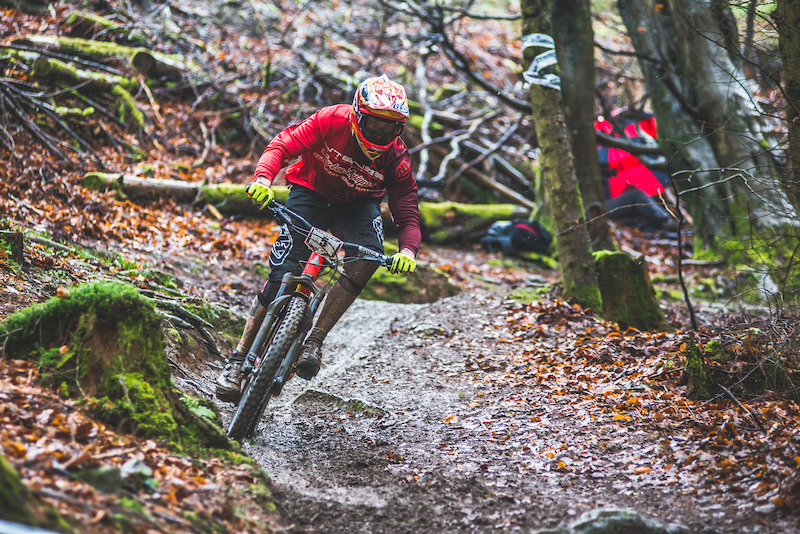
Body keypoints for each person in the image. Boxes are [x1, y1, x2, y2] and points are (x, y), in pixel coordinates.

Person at [215, 74, 422, 402]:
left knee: (367, 259)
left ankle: (315, 340)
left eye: (389, 128)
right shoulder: (330, 120)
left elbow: (407, 211)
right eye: (374, 125)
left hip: (357, 207)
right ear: (356, 115)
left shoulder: (396, 159)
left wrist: (408, 251)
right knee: (281, 273)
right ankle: (238, 358)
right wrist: (263, 179)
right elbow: (283, 145)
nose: (380, 135)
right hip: (310, 190)